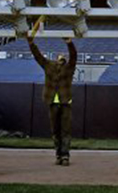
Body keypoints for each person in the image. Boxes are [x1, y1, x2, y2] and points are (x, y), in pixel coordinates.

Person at [27, 34, 77, 166]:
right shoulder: (48, 65)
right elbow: (38, 56)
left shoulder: (69, 68)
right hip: (52, 102)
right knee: (55, 130)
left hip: (65, 102)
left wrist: (69, 43)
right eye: (60, 57)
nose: (61, 57)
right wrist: (31, 44)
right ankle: (58, 155)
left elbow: (74, 56)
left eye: (62, 57)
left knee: (65, 130)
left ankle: (65, 155)